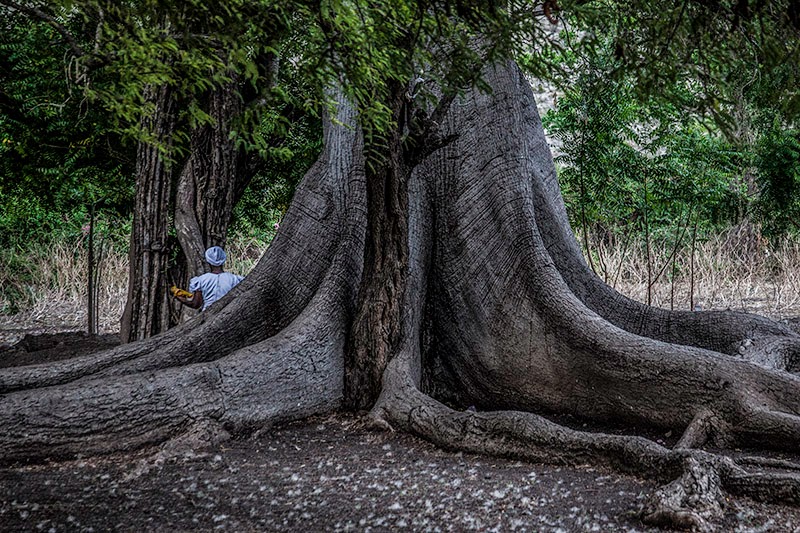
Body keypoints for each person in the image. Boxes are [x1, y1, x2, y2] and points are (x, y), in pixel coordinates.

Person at [174, 246, 244, 311]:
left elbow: (195, 304)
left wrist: (180, 297)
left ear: (208, 261)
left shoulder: (201, 280)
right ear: (223, 259)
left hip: (208, 316)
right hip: (227, 313)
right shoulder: (234, 279)